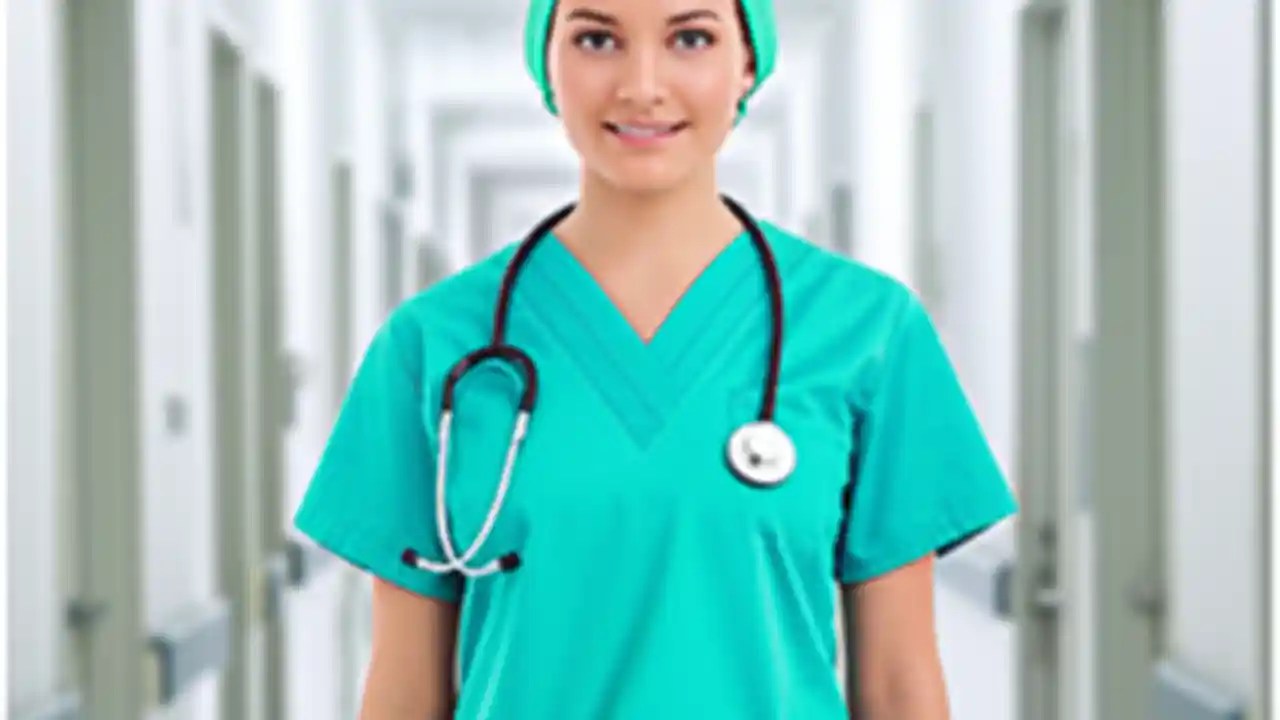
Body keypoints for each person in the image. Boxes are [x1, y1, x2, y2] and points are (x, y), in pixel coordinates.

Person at [292, 0, 1020, 717]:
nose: (642, 84)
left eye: (691, 37)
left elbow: (898, 687)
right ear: (545, 60)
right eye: (597, 39)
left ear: (747, 61)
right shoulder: (435, 343)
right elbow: (403, 692)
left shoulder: (867, 331)